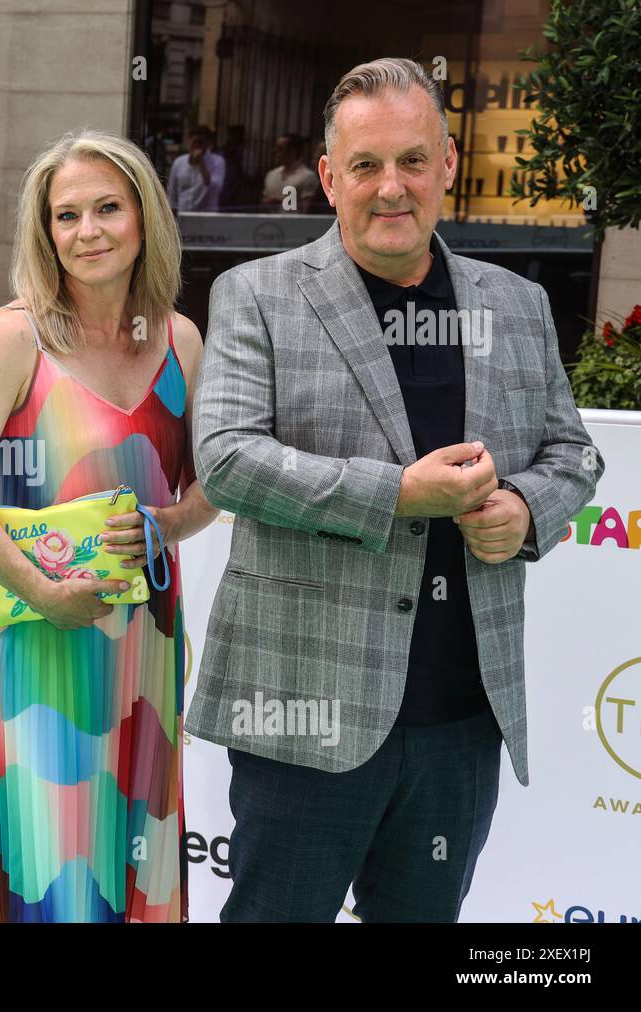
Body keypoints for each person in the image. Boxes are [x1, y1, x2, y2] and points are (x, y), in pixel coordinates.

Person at [187, 57, 604, 922]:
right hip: (301, 709)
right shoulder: (257, 295)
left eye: (413, 161)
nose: (391, 189)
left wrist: (527, 510)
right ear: (329, 177)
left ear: (448, 165)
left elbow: (572, 453)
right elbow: (227, 458)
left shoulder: (516, 305)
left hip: (458, 718)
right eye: (367, 166)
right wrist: (396, 497)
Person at [0, 130, 219, 922]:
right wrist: (44, 589)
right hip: (34, 654)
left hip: (143, 659)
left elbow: (213, 486)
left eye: (108, 209)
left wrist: (164, 524)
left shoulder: (181, 341)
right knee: (47, 865)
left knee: (131, 861)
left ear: (145, 217)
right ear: (45, 232)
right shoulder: (15, 336)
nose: (88, 231)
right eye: (67, 215)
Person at [166, 125, 227, 213]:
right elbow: (172, 193)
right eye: (194, 141)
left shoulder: (217, 162)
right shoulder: (179, 163)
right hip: (183, 217)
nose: (197, 145)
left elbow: (215, 188)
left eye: (200, 142)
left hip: (207, 217)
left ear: (208, 143)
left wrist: (201, 164)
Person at [260, 133, 320, 213]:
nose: (274, 151)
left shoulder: (307, 177)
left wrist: (282, 202)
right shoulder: (271, 175)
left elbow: (306, 210)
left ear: (292, 151)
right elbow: (263, 204)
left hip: (294, 224)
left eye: (280, 149)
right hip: (270, 223)